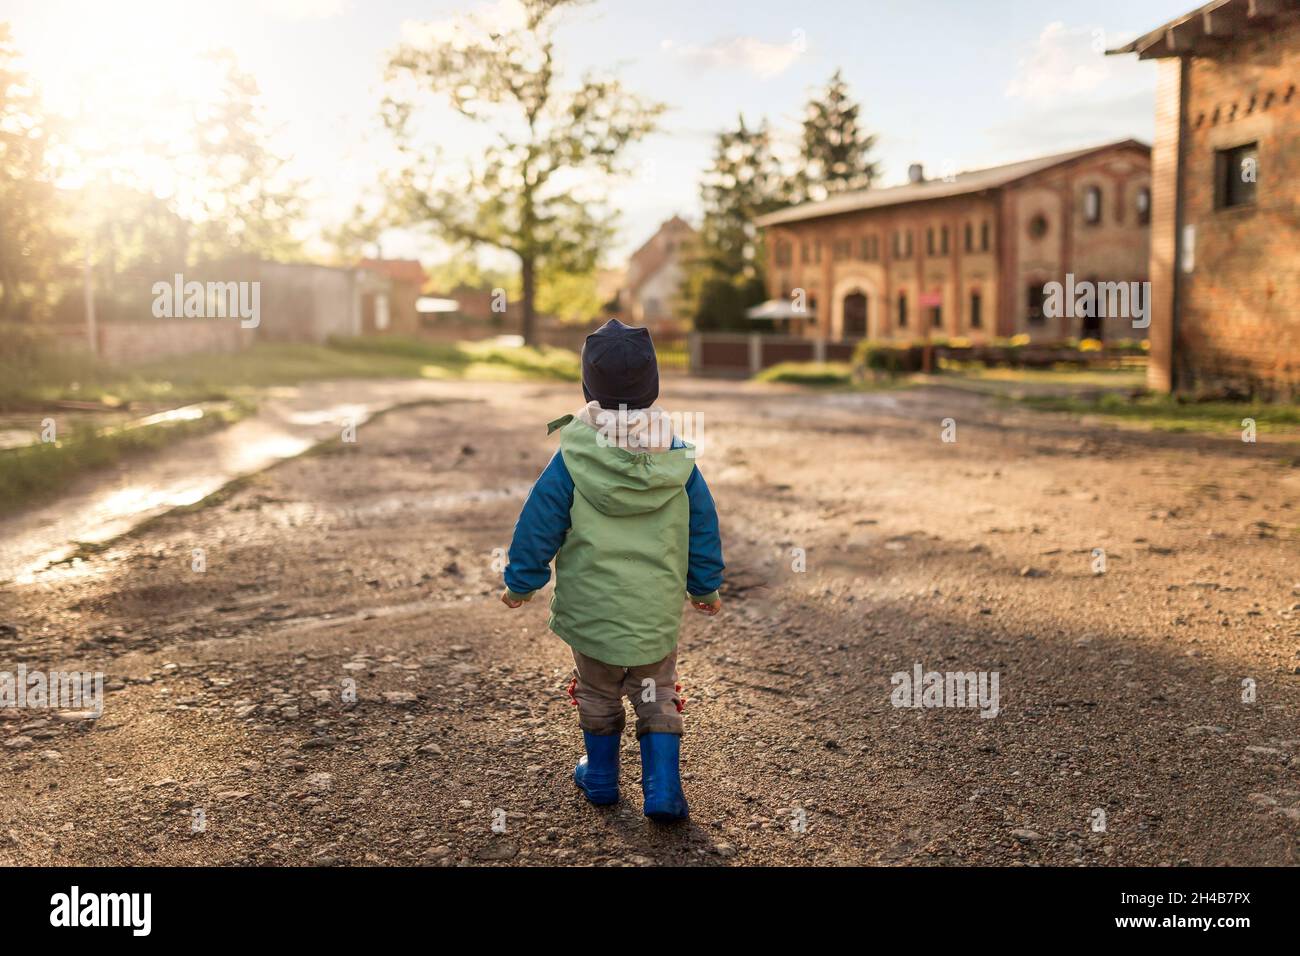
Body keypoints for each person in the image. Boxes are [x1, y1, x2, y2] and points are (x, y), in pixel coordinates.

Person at [501, 319, 724, 821]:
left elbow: (538, 524)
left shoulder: (572, 457)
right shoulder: (677, 459)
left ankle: (601, 778)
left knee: (599, 691)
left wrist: (522, 582)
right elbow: (702, 529)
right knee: (656, 692)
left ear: (587, 389)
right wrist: (705, 587)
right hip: (653, 613)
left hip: (592, 610)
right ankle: (663, 789)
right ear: (654, 386)